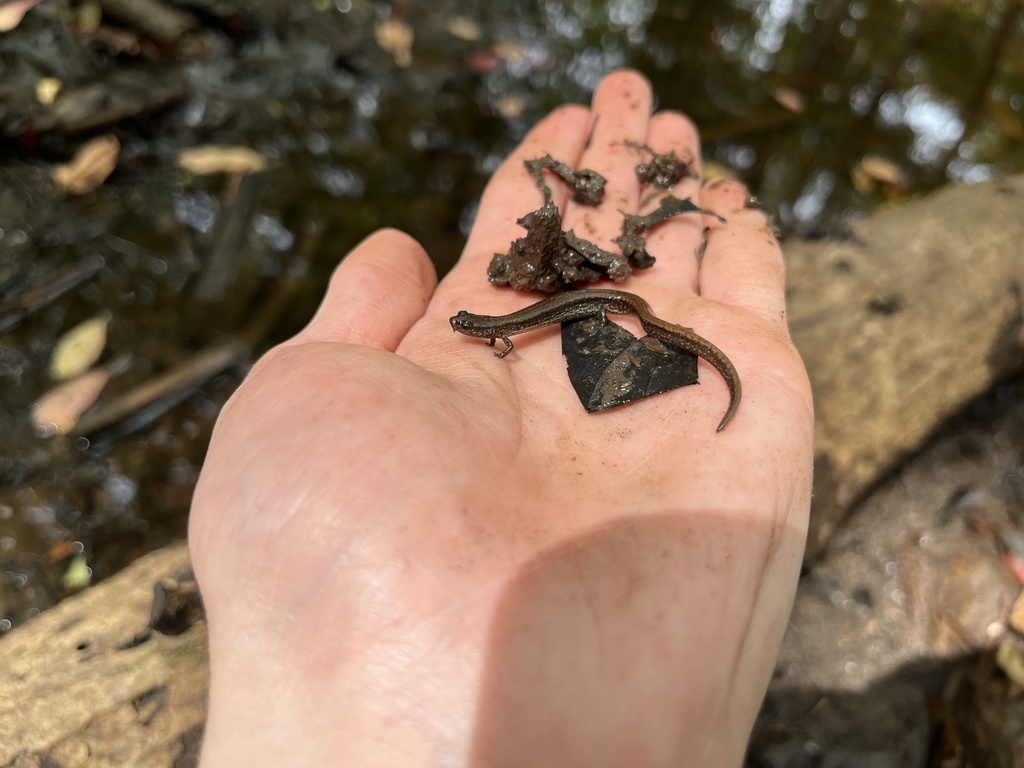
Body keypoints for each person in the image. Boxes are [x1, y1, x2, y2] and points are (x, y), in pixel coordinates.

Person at [188, 69, 814, 767]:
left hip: (582, 308)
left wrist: (603, 310)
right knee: (627, 314)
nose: (467, 327)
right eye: (470, 325)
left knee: (634, 313)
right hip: (577, 309)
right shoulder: (490, 331)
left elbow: (513, 329)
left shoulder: (495, 329)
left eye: (468, 324)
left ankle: (683, 349)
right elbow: (504, 332)